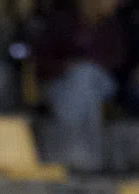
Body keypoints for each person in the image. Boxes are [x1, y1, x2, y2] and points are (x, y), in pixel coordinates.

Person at [35, 0, 126, 134]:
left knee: (85, 74)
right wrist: (67, 66)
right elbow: (42, 62)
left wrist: (87, 64)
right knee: (85, 88)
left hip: (102, 81)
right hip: (62, 82)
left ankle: (71, 136)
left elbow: (118, 62)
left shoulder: (112, 26)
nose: (115, 3)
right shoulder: (61, 22)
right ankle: (89, 140)